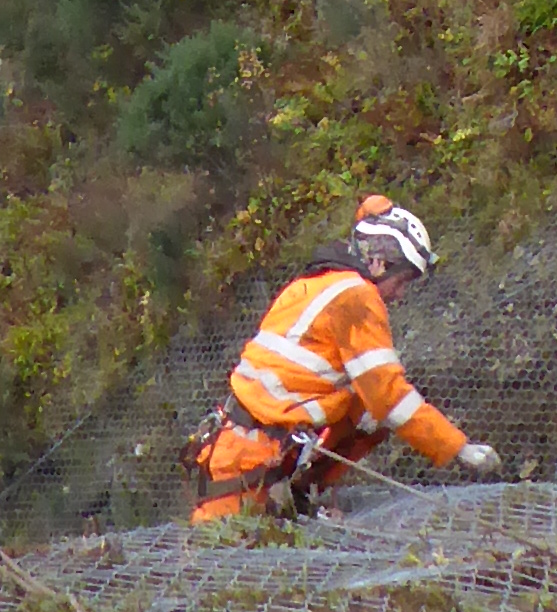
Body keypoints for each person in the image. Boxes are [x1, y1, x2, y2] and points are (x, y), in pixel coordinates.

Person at [187, 195, 500, 525]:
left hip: (246, 444)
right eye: (402, 280)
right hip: (250, 458)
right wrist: (458, 448)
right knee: (227, 551)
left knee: (365, 412)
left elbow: (368, 399)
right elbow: (389, 397)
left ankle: (302, 494)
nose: (399, 294)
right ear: (381, 262)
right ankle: (299, 496)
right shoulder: (357, 297)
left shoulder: (319, 283)